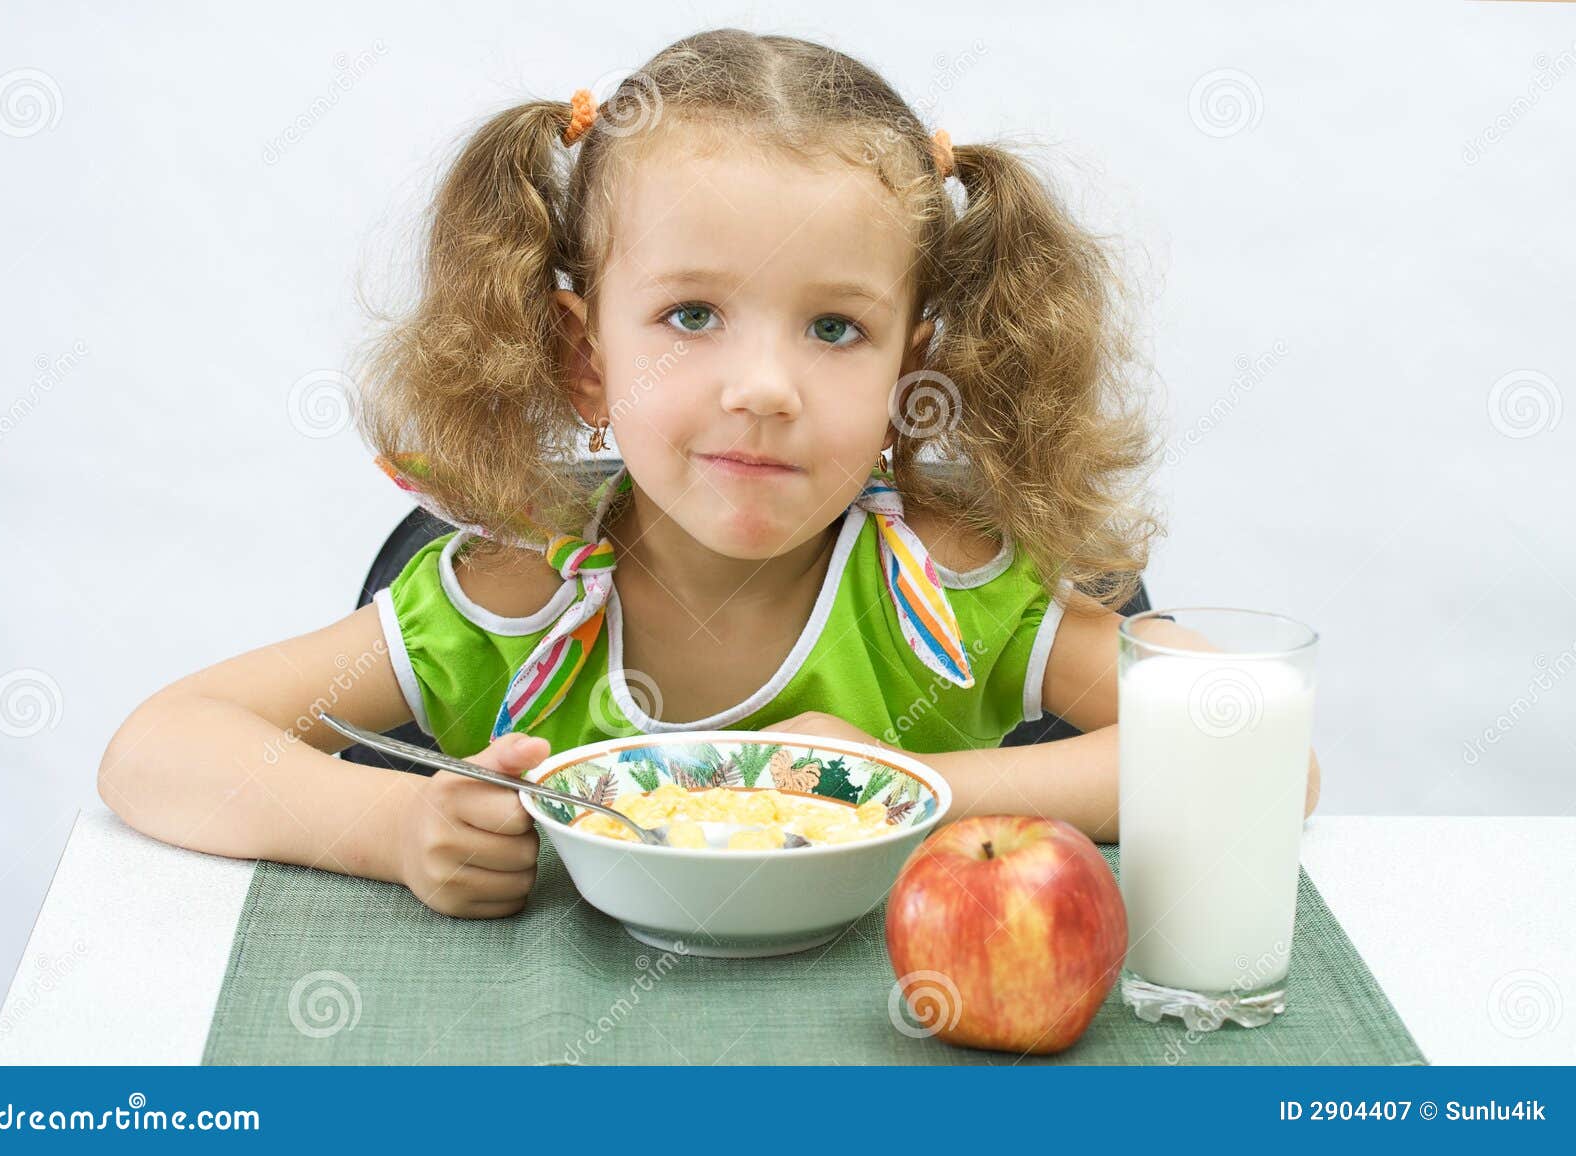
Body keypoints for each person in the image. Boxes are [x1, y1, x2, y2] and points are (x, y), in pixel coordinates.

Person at [99, 29, 1319, 920]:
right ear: (584, 358)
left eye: (834, 329)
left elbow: (1262, 751)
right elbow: (157, 747)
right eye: (690, 316)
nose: (763, 386)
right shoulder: (514, 600)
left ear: (914, 370)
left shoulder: (950, 587)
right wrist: (393, 825)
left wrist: (905, 787)